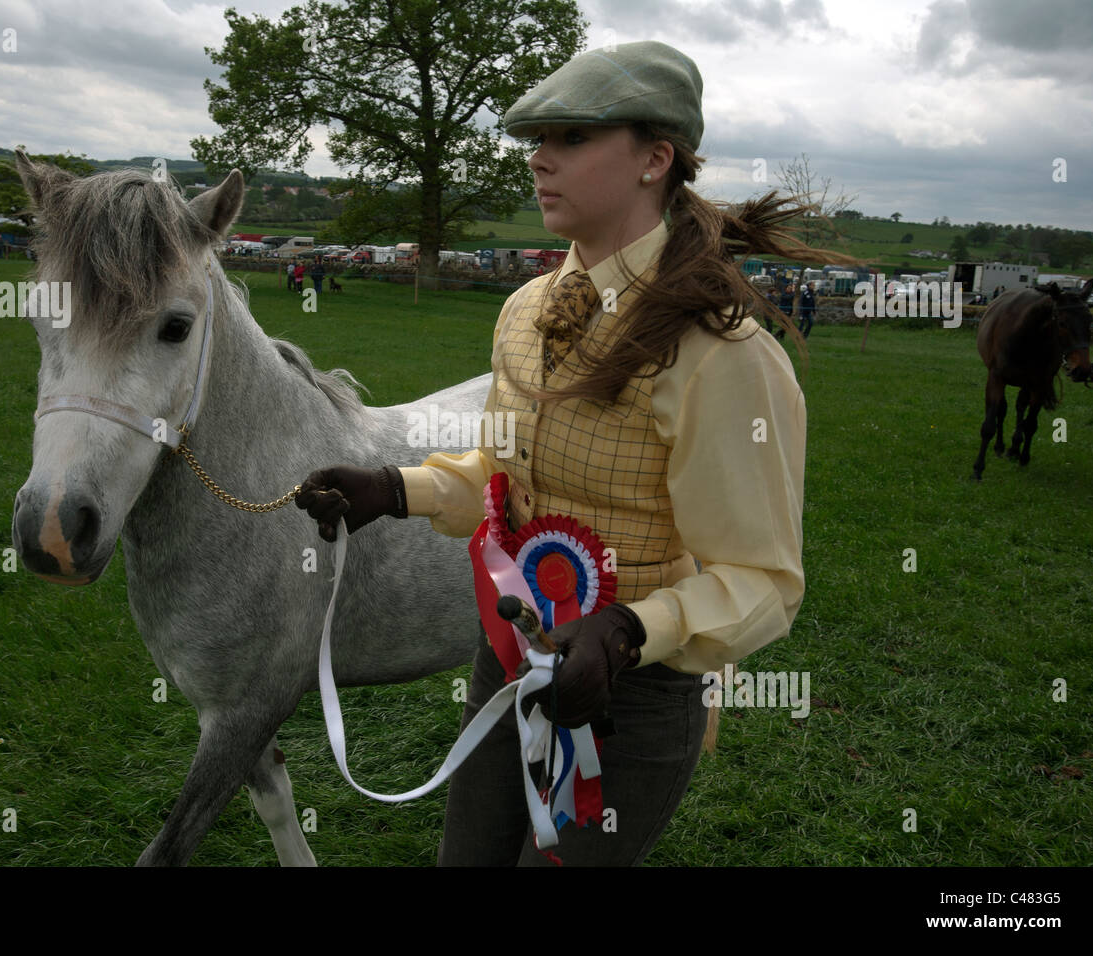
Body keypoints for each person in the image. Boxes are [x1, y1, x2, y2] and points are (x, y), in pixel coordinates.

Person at [297, 40, 816, 866]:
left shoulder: (723, 355)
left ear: (656, 159)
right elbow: (501, 475)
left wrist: (626, 632)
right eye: (536, 139)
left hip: (631, 698)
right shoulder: (524, 309)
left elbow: (763, 581)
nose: (538, 159)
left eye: (571, 136)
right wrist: (394, 491)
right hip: (508, 658)